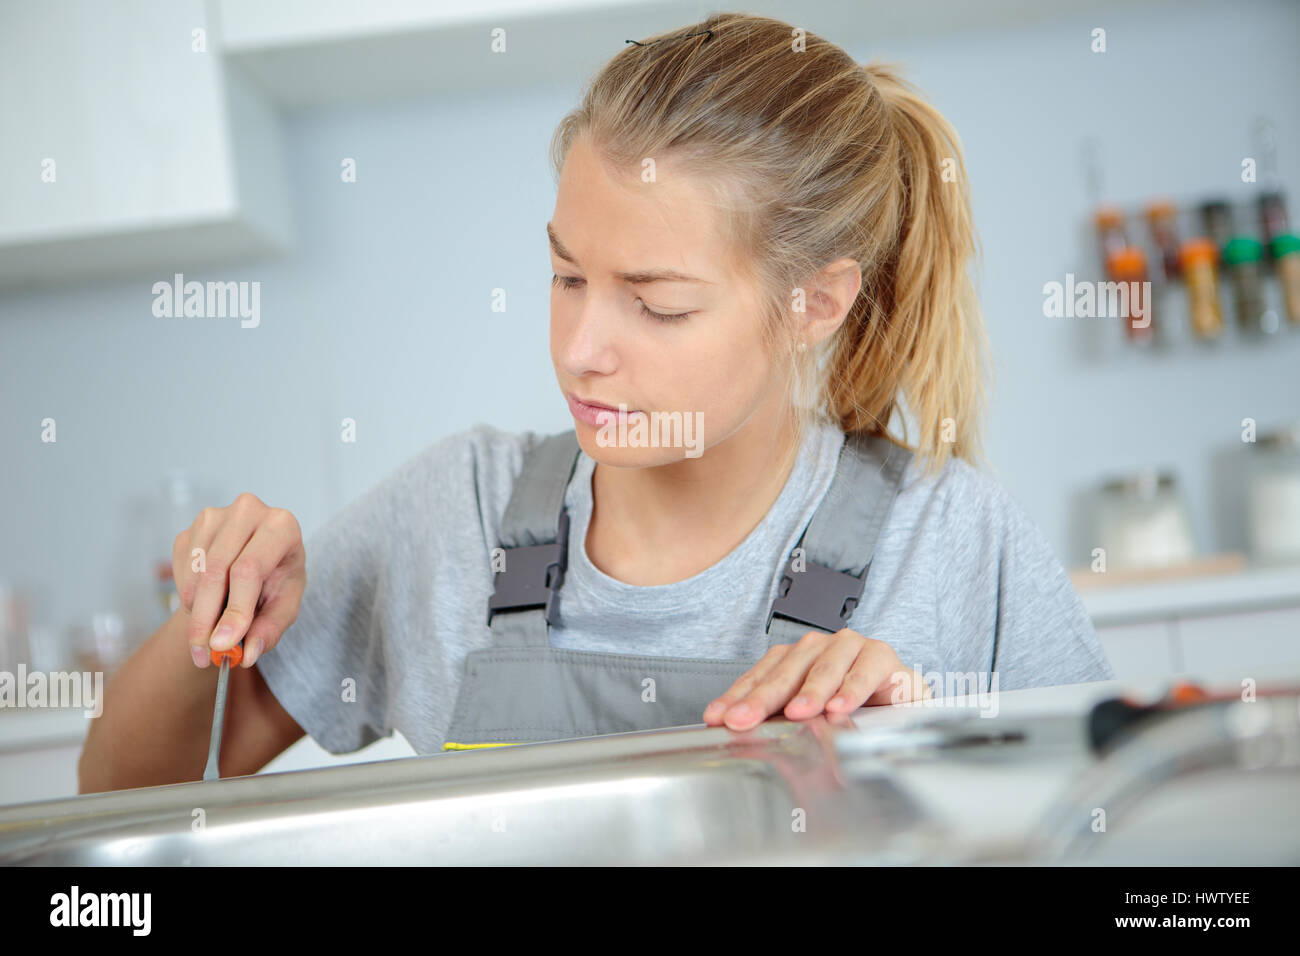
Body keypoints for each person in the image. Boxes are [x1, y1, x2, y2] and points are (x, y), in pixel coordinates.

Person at [78, 13, 1112, 792]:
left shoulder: (954, 541)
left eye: (655, 304)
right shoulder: (458, 512)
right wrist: (209, 615)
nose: (580, 350)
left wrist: (919, 757)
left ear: (815, 302)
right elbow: (121, 793)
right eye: (568, 275)